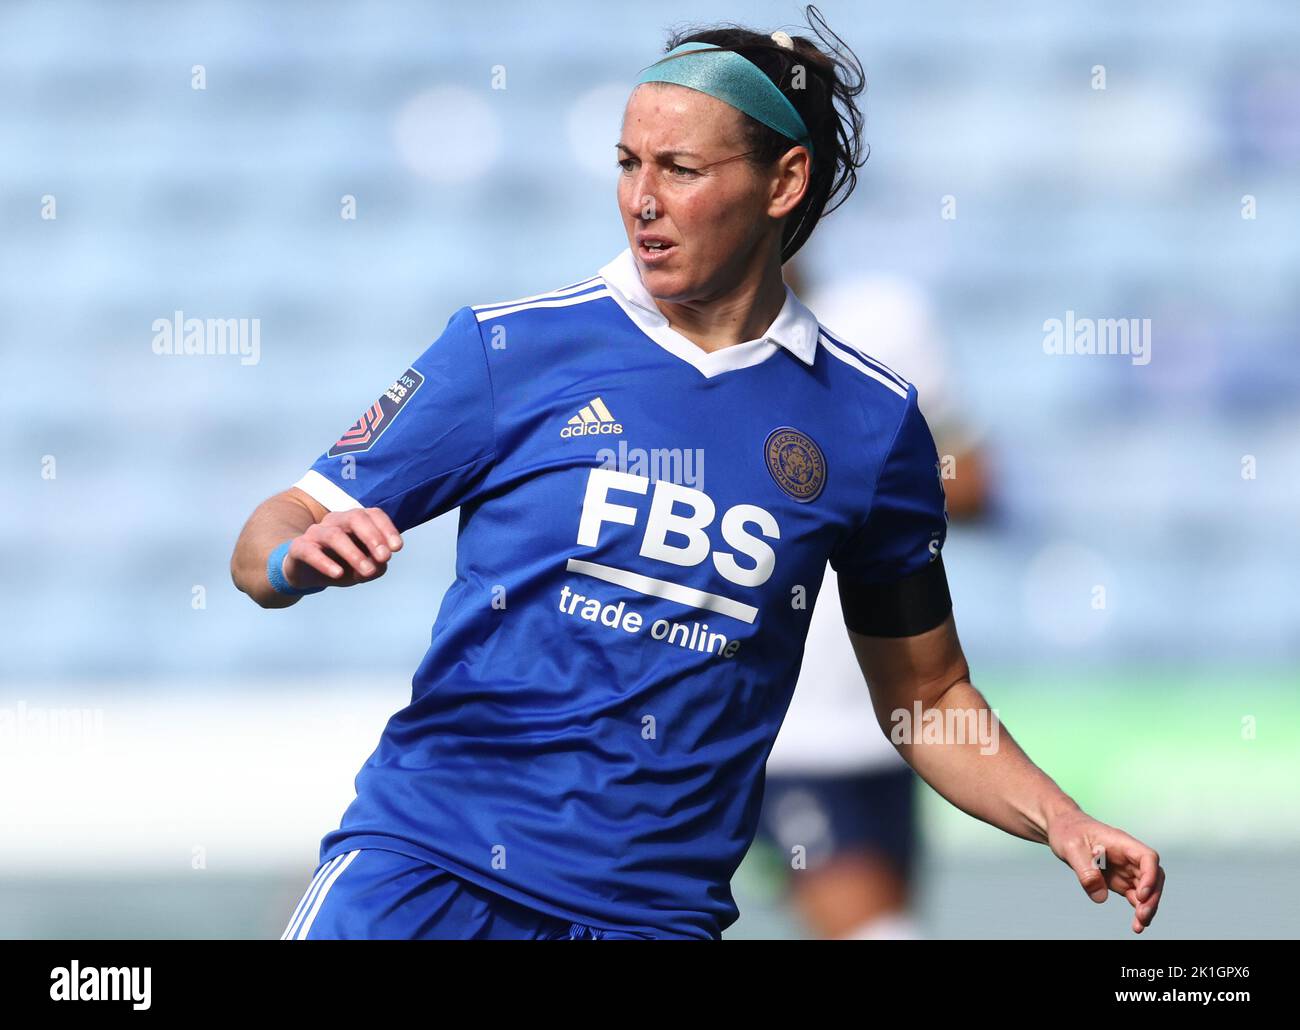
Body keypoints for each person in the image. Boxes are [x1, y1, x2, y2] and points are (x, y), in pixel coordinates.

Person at [231, 8, 1164, 940]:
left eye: (679, 169)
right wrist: (291, 559)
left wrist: (1060, 817)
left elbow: (926, 696)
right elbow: (275, 527)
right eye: (629, 163)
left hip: (650, 917)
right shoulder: (512, 348)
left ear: (783, 182)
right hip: (425, 872)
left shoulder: (871, 427)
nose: (642, 198)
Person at [755, 267, 992, 939]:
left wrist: (872, 481)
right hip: (790, 731)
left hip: (893, 719)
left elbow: (973, 477)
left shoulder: (885, 319)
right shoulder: (689, 347)